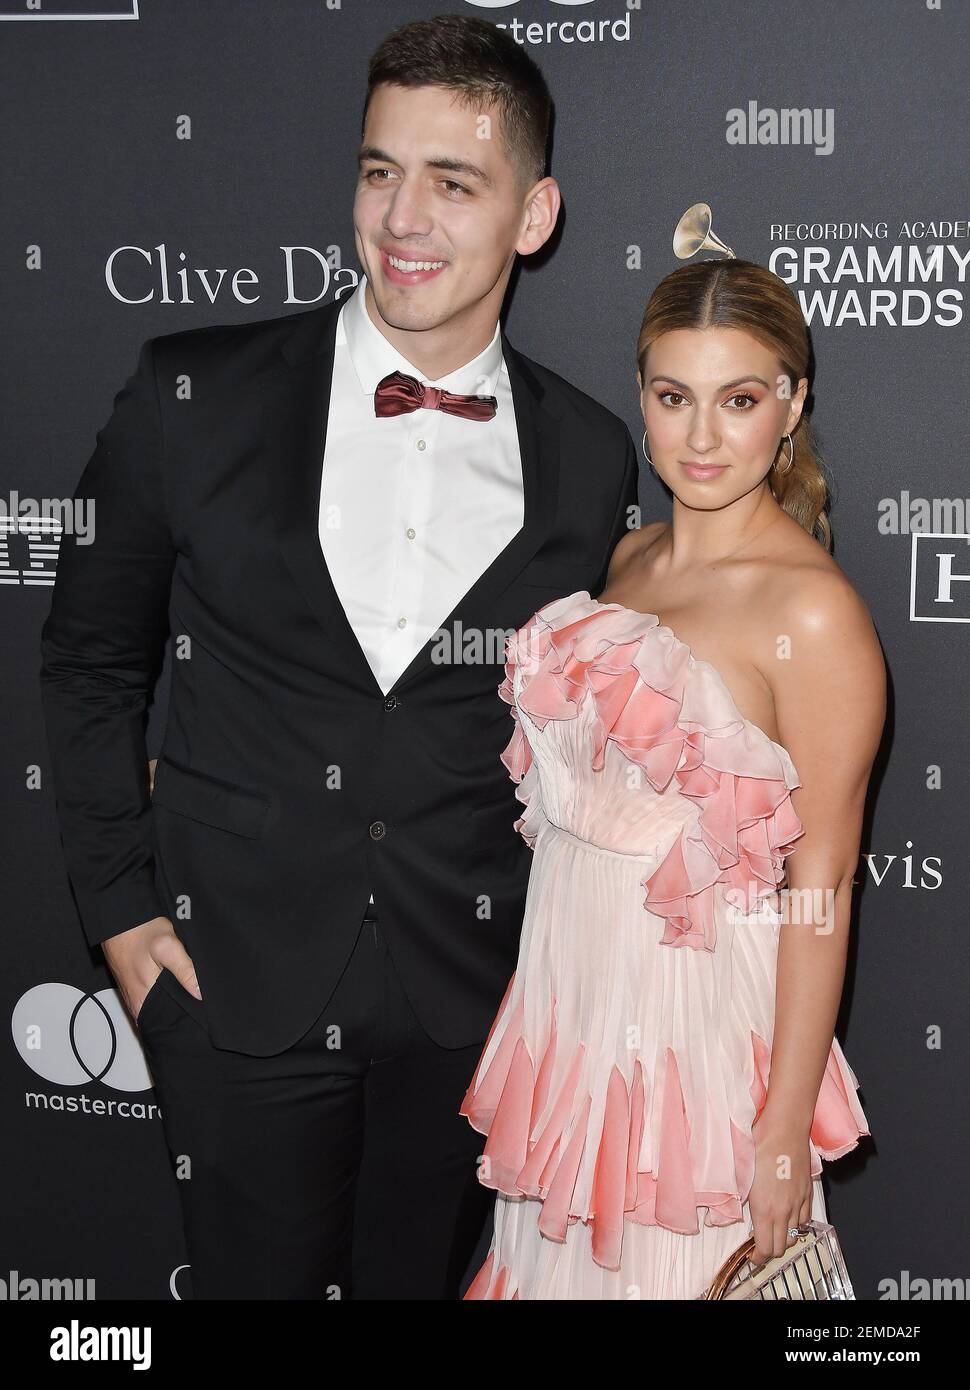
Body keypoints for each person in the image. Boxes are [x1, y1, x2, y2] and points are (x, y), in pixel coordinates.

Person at [37, 15, 638, 1299]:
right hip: (234, 981)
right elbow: (90, 660)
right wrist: (122, 916)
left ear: (533, 216)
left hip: (470, 995)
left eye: (451, 181)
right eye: (379, 170)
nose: (402, 218)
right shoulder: (191, 393)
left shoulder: (591, 459)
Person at [460, 257, 885, 1300]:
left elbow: (819, 894)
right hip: (572, 1018)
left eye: (738, 399)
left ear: (792, 404)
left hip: (690, 1040)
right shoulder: (628, 564)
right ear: (642, 397)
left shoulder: (812, 613)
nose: (700, 438)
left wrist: (781, 1129)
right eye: (671, 396)